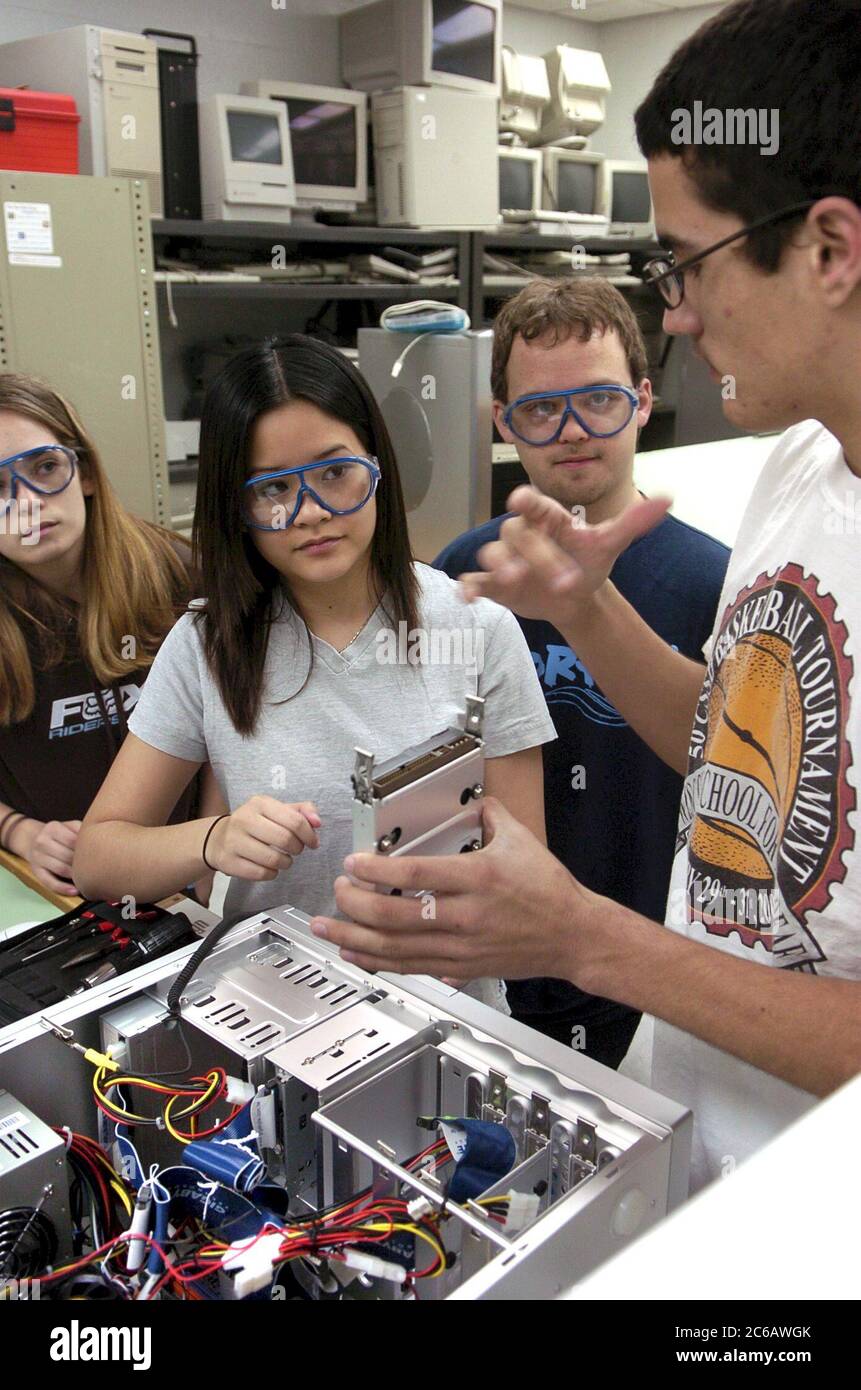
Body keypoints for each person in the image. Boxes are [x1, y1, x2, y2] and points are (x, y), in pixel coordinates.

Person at [309, 0, 861, 1192]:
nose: (678, 311)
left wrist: (583, 938)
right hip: (698, 1127)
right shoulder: (801, 470)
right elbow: (744, 761)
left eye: (687, 261)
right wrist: (590, 611)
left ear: (830, 249)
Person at [73, 335, 555, 1009]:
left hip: (447, 1015)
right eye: (272, 488)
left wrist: (464, 935)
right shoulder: (206, 646)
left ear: (378, 465)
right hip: (270, 1013)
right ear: (235, 509)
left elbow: (526, 872)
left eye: (335, 472)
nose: (311, 512)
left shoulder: (477, 628)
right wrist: (212, 840)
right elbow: (99, 859)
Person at [434, 278, 729, 1068]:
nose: (570, 431)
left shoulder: (719, 584)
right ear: (502, 422)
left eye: (596, 400)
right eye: (539, 409)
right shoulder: (466, 573)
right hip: (492, 962)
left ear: (640, 399)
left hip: (651, 962)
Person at [0, 372, 206, 897]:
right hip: (63, 894)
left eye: (45, 467)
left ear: (85, 472)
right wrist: (18, 832)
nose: (25, 503)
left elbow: (246, 724)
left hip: (198, 875)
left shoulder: (179, 574)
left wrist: (210, 859)